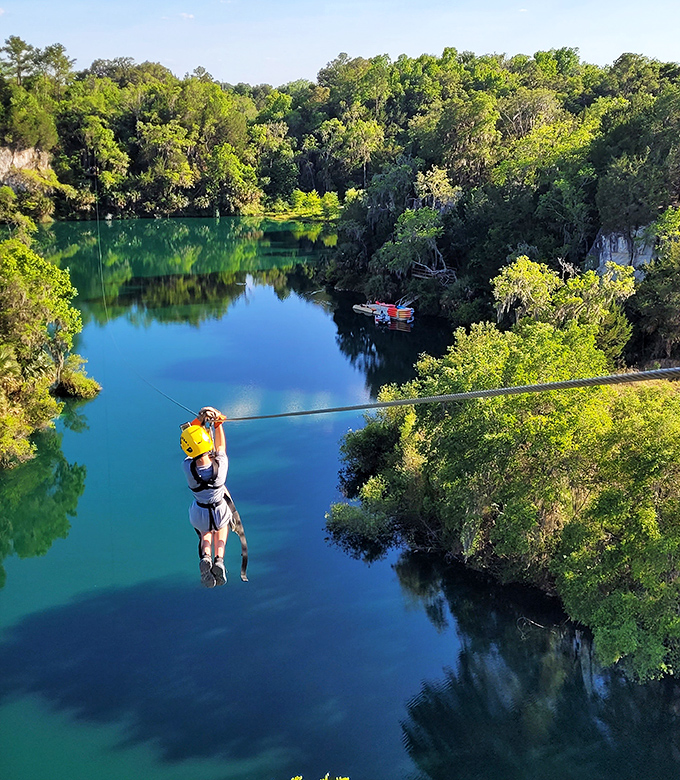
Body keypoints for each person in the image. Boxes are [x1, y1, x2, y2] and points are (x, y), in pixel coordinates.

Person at [180, 406, 232, 587]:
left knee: (205, 534)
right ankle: (219, 559)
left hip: (199, 511)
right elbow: (220, 447)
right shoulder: (221, 465)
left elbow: (190, 440)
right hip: (219, 508)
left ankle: (207, 557)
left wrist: (200, 419)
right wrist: (218, 424)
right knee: (222, 529)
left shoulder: (188, 467)